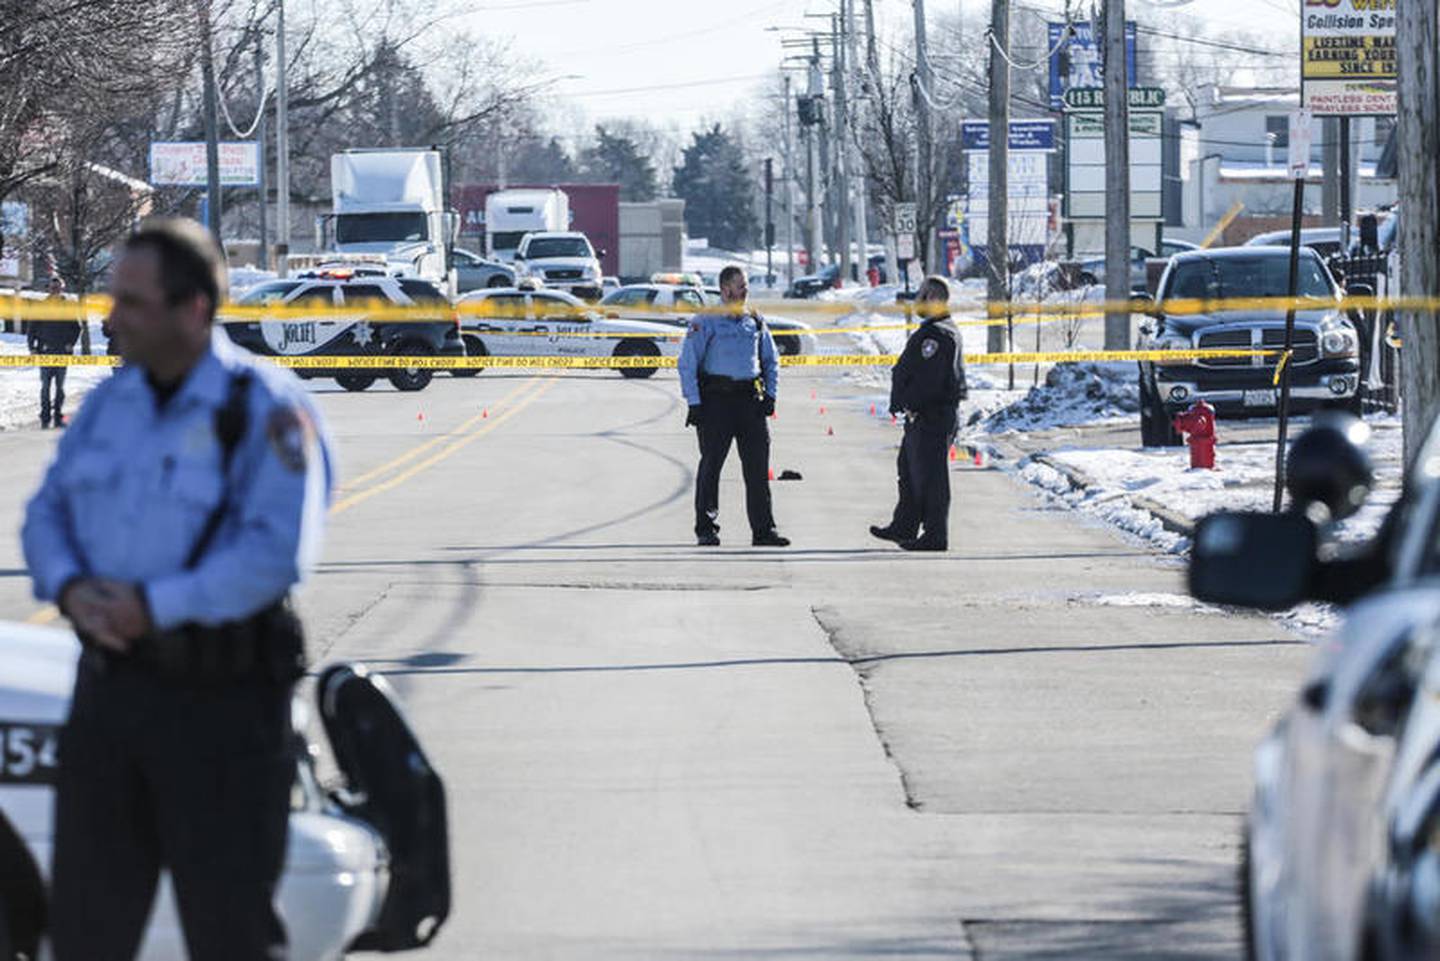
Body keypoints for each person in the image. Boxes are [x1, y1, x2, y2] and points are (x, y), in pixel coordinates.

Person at [21, 218, 334, 961]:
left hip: (220, 708)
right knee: (86, 933)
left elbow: (274, 555)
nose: (110, 316)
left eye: (132, 301)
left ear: (193, 308)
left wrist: (153, 606)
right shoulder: (110, 403)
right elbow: (47, 511)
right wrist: (70, 588)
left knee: (229, 932)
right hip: (110, 697)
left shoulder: (264, 410)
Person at [678, 264, 789, 547]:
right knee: (711, 466)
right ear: (725, 288)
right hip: (716, 402)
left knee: (757, 468)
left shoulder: (754, 320)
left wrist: (771, 396)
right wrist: (694, 402)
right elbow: (688, 363)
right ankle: (706, 528)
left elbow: (770, 360)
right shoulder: (706, 320)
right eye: (740, 285)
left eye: (746, 285)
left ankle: (764, 530)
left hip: (749, 401)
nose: (745, 290)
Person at [871, 275, 968, 551]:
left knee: (932, 478)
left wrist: (910, 401)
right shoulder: (933, 329)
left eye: (922, 296)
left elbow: (930, 380)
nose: (917, 302)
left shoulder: (938, 335)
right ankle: (905, 524)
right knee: (910, 471)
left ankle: (936, 535)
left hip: (932, 416)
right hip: (922, 417)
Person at [27, 274, 81, 428]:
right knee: (45, 386)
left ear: (62, 289)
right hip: (45, 351)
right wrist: (32, 348)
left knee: (60, 387)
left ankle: (58, 416)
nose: (55, 290)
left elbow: (76, 328)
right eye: (52, 288)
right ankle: (45, 417)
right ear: (49, 289)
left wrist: (70, 344)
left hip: (62, 353)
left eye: (58, 288)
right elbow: (32, 329)